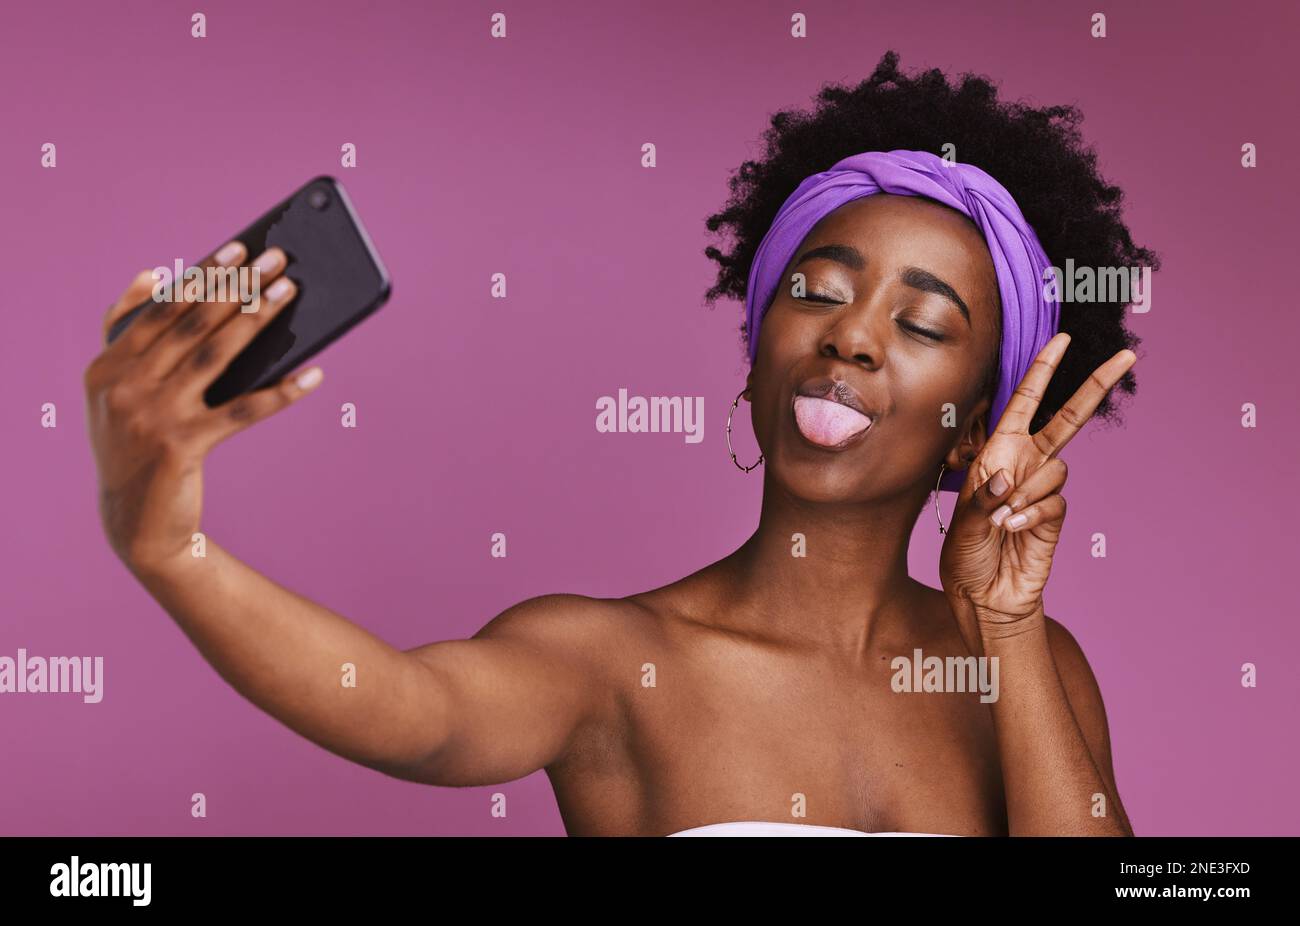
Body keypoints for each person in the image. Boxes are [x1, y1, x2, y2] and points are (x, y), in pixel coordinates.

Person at [84, 52, 1153, 836]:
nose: (851, 336)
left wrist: (1007, 626)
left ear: (976, 425)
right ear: (756, 355)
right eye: (817, 291)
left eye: (921, 325)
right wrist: (169, 548)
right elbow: (412, 709)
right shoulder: (605, 659)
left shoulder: (1027, 665)